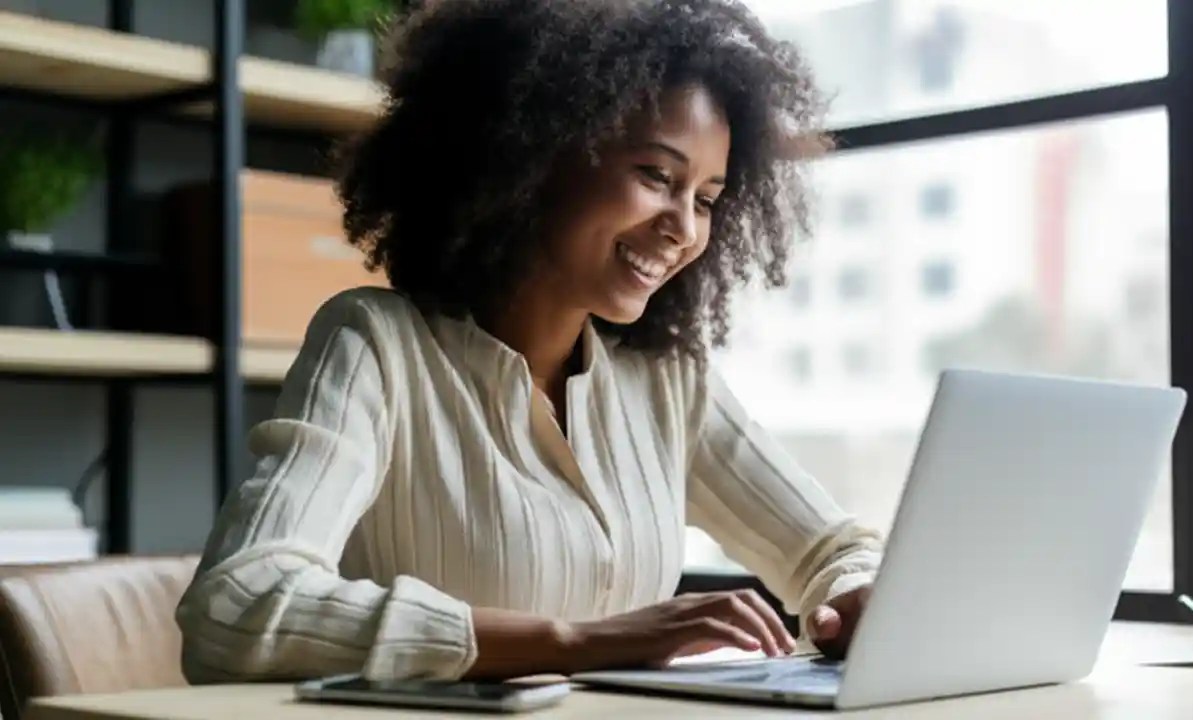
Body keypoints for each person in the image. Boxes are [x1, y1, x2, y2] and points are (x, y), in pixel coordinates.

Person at [175, 0, 883, 683]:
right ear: (535, 153)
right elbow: (237, 602)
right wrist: (573, 643)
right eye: (656, 177)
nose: (684, 229)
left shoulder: (666, 380)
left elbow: (834, 548)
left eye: (704, 199)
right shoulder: (377, 346)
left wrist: (856, 597)